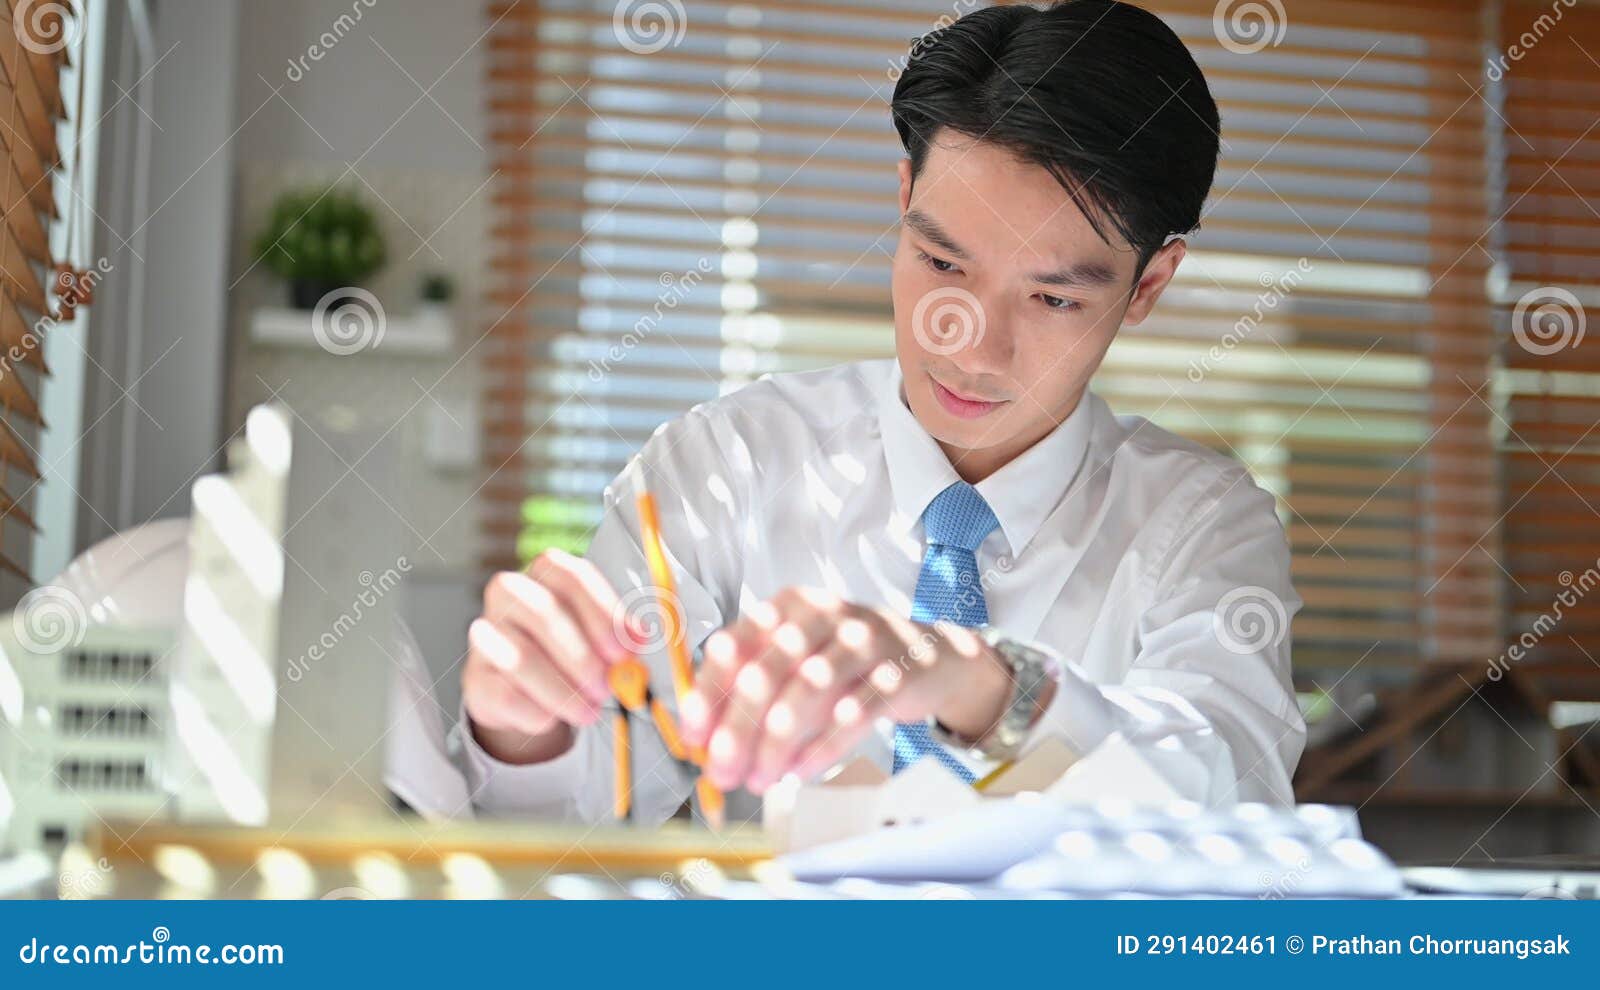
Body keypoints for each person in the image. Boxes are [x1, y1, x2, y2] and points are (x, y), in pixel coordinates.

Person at [454, 0, 1304, 826]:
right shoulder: (725, 467)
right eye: (940, 261)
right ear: (902, 200)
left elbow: (1231, 790)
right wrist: (526, 727)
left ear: (1149, 284)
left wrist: (979, 685)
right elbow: (585, 808)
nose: (972, 347)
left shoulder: (1200, 526)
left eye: (1050, 298)